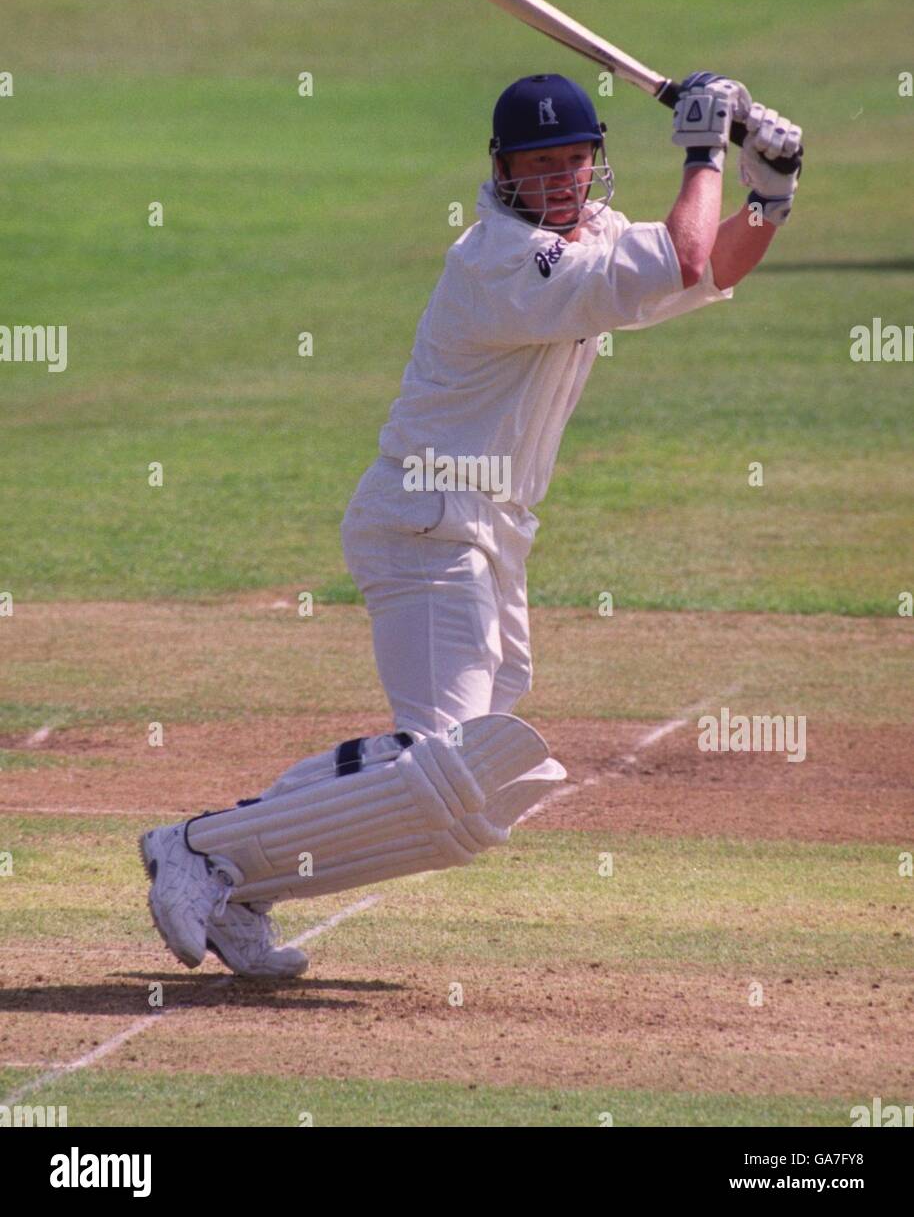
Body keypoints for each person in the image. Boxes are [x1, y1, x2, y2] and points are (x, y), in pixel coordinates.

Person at [140, 71, 802, 978]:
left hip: (490, 534)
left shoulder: (588, 239)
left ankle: (241, 882)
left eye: (575, 160)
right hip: (428, 521)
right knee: (439, 767)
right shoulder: (501, 261)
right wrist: (700, 151)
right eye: (540, 165)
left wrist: (771, 192)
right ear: (501, 171)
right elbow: (685, 257)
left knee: (467, 796)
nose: (562, 179)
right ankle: (199, 847)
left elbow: (708, 267)